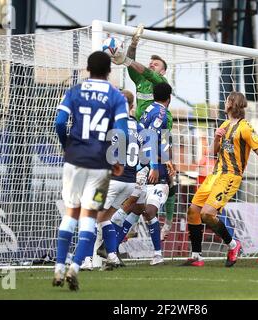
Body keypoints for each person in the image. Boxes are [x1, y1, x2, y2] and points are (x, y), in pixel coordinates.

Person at [52, 51, 129, 291]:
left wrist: (67, 146)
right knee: (89, 217)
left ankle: (58, 268)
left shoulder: (74, 91)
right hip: (99, 165)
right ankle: (75, 267)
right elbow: (121, 132)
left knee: (70, 213)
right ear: (110, 70)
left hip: (74, 161)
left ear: (87, 68)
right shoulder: (117, 97)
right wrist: (117, 159)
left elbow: (59, 123)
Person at [183, 92, 258, 267]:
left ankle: (233, 245)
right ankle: (196, 257)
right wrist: (216, 137)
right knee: (193, 211)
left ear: (231, 104)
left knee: (207, 214)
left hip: (230, 176)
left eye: (227, 99)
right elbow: (213, 152)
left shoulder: (246, 128)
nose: (224, 102)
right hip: (215, 175)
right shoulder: (224, 125)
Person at [110, 25, 176, 241]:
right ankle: (126, 222)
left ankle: (168, 220)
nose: (150, 65)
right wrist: (132, 46)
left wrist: (127, 60)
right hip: (138, 136)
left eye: (156, 64)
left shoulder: (162, 83)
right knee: (136, 181)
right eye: (150, 63)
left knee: (164, 178)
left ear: (163, 71)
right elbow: (131, 64)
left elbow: (136, 66)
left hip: (157, 135)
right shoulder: (139, 81)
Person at [115, 82, 175, 265]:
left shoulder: (148, 110)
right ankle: (112, 248)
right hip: (148, 168)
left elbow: (161, 140)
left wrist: (165, 161)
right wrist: (158, 163)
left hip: (154, 171)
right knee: (135, 210)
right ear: (169, 98)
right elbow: (151, 139)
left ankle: (157, 254)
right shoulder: (161, 113)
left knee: (146, 210)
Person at [88, 89, 143, 269]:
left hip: (110, 181)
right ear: (132, 106)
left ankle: (86, 260)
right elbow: (145, 157)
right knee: (104, 218)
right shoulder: (139, 127)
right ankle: (112, 255)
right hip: (129, 183)